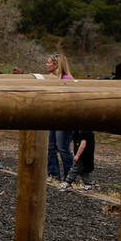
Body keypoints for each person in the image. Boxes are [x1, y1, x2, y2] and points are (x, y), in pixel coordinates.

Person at [45, 53, 74, 183]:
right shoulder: (51, 78)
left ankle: (70, 176)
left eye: (49, 62)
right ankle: (53, 174)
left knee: (63, 148)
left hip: (65, 118)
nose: (47, 64)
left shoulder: (66, 79)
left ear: (56, 65)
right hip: (53, 117)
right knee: (50, 147)